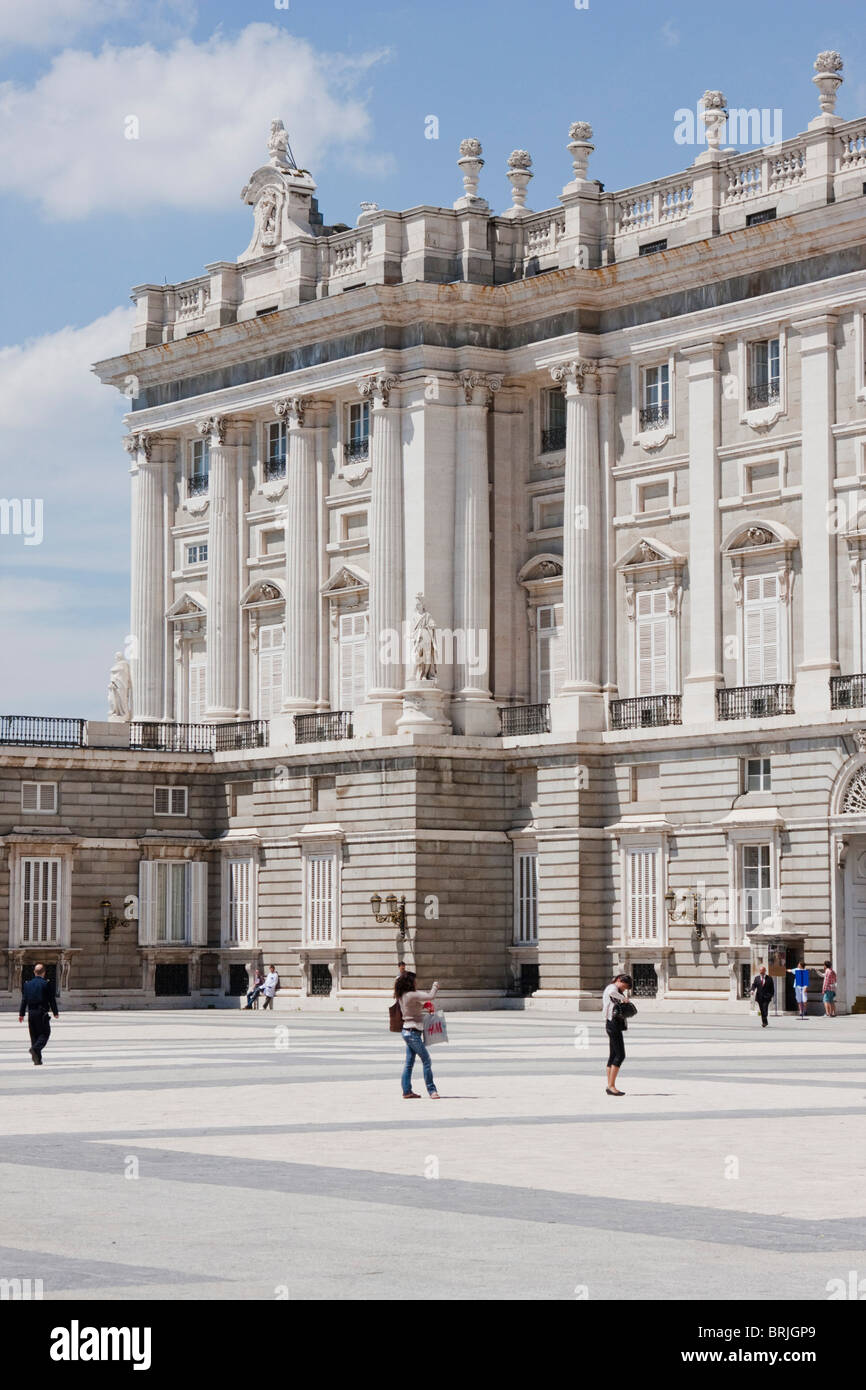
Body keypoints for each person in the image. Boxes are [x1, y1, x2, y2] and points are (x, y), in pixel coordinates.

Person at [394, 971, 440, 1099]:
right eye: (414, 980)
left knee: (409, 1062)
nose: (416, 982)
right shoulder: (411, 995)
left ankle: (407, 1091)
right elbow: (430, 995)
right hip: (413, 1032)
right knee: (426, 1060)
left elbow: (414, 1008)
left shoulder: (402, 995)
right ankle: (432, 1090)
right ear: (410, 982)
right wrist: (435, 985)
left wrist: (424, 1006)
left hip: (407, 1031)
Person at [18, 964, 59, 1065]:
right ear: (44, 973)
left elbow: (24, 1000)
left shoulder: (27, 984)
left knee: (34, 1036)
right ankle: (35, 1049)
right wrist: (55, 1012)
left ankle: (37, 1060)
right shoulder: (46, 984)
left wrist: (21, 1014)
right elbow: (51, 999)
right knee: (45, 1033)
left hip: (31, 1013)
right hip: (42, 1012)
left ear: (34, 972)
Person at [601, 973, 633, 1096]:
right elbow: (611, 993)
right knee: (620, 1055)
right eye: (624, 986)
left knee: (613, 1054)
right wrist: (623, 998)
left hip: (612, 1024)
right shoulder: (612, 988)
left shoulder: (614, 988)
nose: (624, 989)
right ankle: (611, 1086)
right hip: (612, 1024)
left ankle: (610, 1085)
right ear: (619, 980)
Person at [750, 962, 774, 1027]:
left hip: (767, 997)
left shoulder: (769, 978)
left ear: (765, 971)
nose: (761, 971)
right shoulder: (757, 978)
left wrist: (771, 995)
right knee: (762, 1010)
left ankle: (765, 1020)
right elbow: (754, 985)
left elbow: (772, 988)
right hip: (759, 997)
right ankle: (764, 1022)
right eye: (760, 970)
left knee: (765, 1009)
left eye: (762, 970)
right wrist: (752, 990)